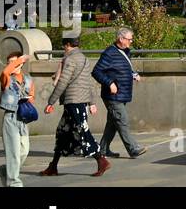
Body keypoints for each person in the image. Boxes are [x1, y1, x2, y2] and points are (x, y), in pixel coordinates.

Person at [40, 35, 108, 177]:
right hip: (80, 101)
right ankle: (53, 166)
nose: (64, 48)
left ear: (68, 45)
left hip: (73, 101)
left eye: (64, 46)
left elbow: (63, 82)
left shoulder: (70, 59)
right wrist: (92, 102)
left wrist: (51, 102)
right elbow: (88, 82)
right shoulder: (84, 58)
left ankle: (101, 159)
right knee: (62, 132)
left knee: (82, 131)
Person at [93, 27, 146, 159]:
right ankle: (133, 148)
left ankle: (103, 150)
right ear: (121, 39)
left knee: (113, 123)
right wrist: (110, 83)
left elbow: (123, 68)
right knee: (122, 120)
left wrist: (133, 74)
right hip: (113, 96)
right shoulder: (109, 53)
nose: (131, 41)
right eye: (129, 39)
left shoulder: (126, 52)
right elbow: (96, 72)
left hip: (122, 94)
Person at [0, 51, 35, 186]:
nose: (11, 65)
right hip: (10, 117)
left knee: (24, 151)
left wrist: (28, 100)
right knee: (13, 152)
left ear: (22, 64)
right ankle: (14, 183)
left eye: (14, 62)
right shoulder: (6, 78)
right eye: (9, 63)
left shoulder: (28, 79)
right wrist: (18, 60)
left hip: (23, 118)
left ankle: (5, 171)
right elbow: (5, 72)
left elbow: (32, 96)